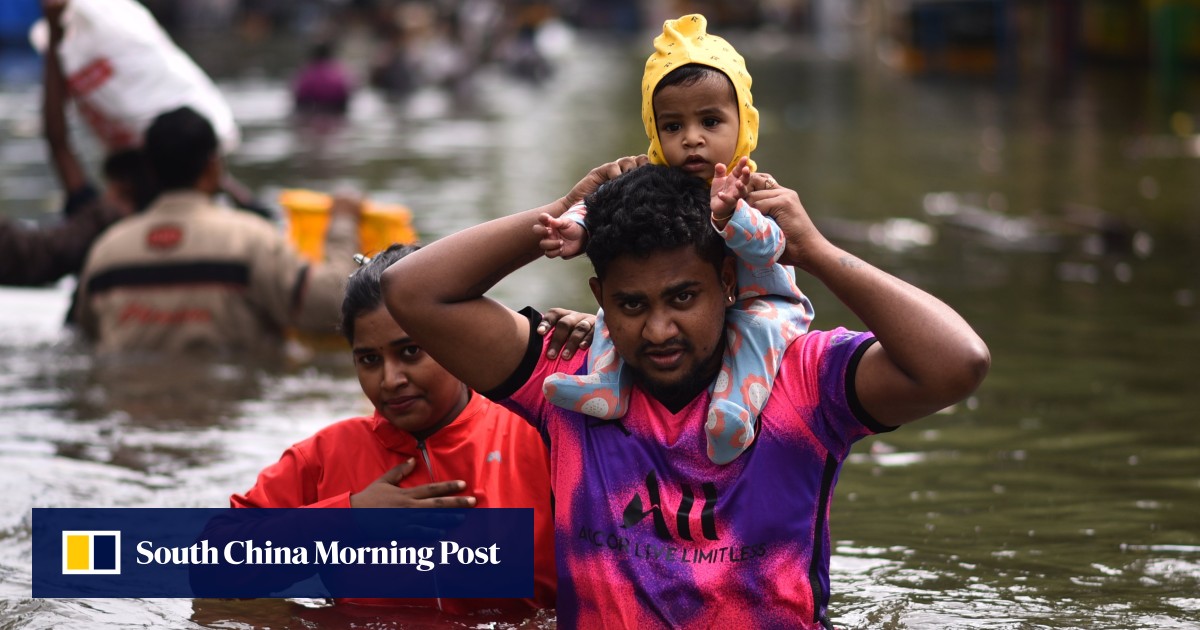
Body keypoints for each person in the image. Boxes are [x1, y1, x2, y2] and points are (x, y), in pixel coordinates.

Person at [378, 160, 990, 628]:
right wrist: (563, 210)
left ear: (726, 280)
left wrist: (816, 253)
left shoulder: (801, 378)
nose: (659, 330)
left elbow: (958, 364)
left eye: (682, 297)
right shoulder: (566, 384)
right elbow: (411, 291)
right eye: (631, 305)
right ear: (599, 298)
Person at [231, 243, 586, 617]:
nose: (391, 379)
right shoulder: (324, 457)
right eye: (369, 359)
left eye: (411, 351)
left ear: (456, 340)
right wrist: (348, 517)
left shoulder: (538, 434)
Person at [536, 14, 813, 464]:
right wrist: (575, 225)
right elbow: (604, 207)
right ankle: (606, 384)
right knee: (622, 303)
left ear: (743, 123)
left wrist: (733, 215)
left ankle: (734, 410)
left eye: (710, 122)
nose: (692, 140)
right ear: (654, 129)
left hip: (763, 301)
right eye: (672, 127)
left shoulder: (757, 188)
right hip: (694, 313)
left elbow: (769, 247)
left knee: (757, 331)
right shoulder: (652, 181)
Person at [73, 106, 361, 356]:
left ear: (149, 170)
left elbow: (84, 334)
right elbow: (334, 304)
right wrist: (343, 224)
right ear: (213, 168)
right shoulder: (249, 239)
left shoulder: (105, 252)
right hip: (233, 409)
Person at [0, 0, 154, 287]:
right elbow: (58, 141)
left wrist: (55, 40)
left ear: (123, 188)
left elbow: (57, 141)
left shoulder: (97, 224)